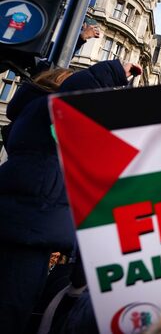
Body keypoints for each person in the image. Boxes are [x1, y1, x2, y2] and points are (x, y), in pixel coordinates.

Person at [0, 59, 141, 333]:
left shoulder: (39, 121)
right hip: (24, 231)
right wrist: (112, 72)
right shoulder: (46, 108)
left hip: (29, 229)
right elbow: (75, 96)